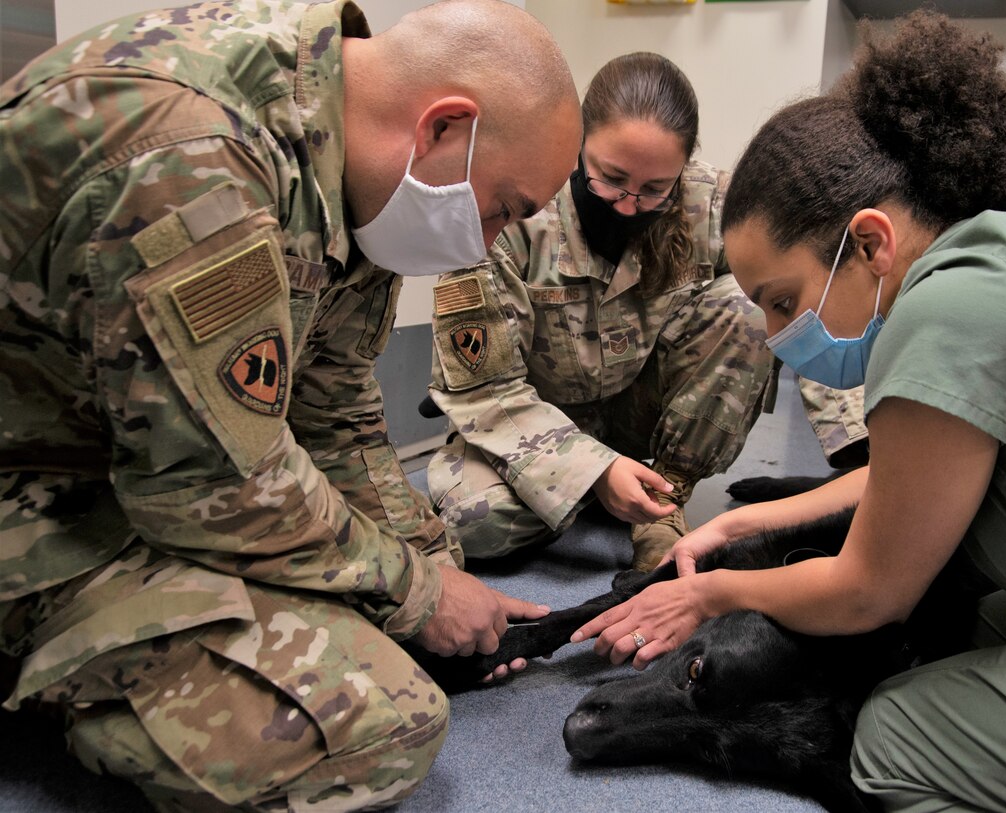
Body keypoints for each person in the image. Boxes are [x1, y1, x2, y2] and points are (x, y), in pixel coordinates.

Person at [573, 12, 1006, 811]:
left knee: (895, 732)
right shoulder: (999, 255)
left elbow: (871, 591)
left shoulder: (943, 314)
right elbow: (902, 483)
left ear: (869, 244)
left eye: (783, 300)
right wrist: (736, 527)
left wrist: (713, 594)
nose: (772, 332)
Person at [0, 0, 581, 809]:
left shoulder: (354, 168)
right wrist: (414, 592)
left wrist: (432, 568)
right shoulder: (193, 159)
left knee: (399, 616)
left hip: (136, 467)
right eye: (504, 208)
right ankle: (61, 669)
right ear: (443, 128)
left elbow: (334, 411)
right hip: (43, 503)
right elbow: (212, 488)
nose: (487, 243)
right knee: (378, 728)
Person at [426, 52, 776, 572]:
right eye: (611, 178)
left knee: (750, 307)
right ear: (578, 145)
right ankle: (598, 492)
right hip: (533, 420)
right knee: (475, 520)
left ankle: (660, 502)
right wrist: (592, 471)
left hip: (637, 409)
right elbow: (485, 390)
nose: (629, 205)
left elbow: (800, 291)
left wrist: (857, 446)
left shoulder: (711, 203)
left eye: (655, 189)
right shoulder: (515, 207)